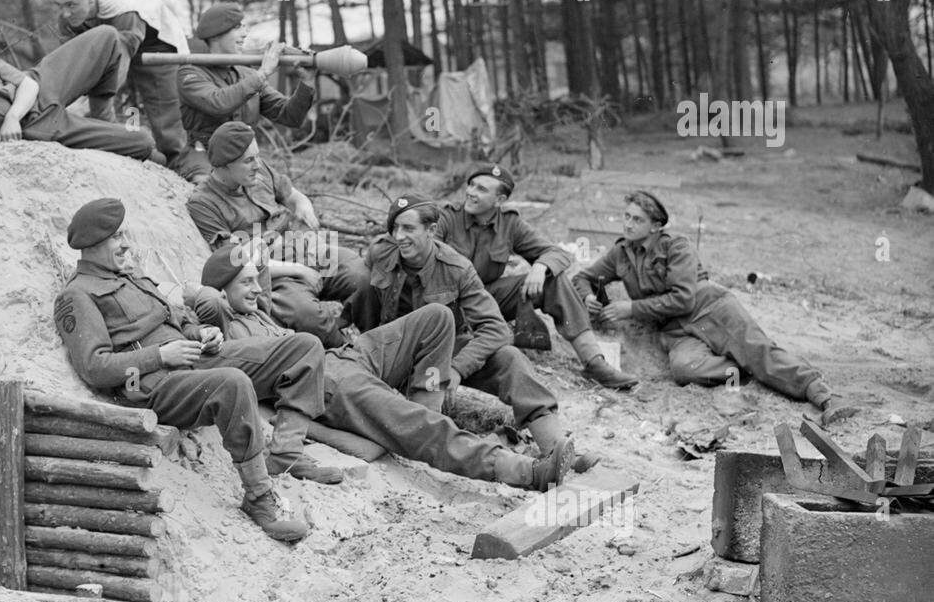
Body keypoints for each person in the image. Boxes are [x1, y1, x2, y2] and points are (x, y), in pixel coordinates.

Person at [53, 199, 353, 544]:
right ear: (91, 246)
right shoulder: (76, 295)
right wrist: (160, 355)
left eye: (123, 234)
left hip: (193, 359)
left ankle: (286, 452)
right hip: (153, 386)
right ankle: (258, 498)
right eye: (115, 238)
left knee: (304, 346)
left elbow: (176, 316)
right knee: (233, 383)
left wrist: (200, 333)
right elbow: (95, 367)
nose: (125, 244)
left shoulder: (130, 275)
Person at [188, 244, 573, 491]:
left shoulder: (257, 308)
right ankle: (521, 471)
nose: (257, 289)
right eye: (246, 284)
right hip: (324, 384)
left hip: (344, 357)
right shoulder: (225, 328)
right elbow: (199, 300)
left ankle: (422, 416)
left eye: (258, 281)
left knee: (436, 318)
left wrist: (257, 271)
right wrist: (211, 298)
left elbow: (260, 269)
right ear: (222, 293)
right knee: (414, 423)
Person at [571, 190, 855, 424]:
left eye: (637, 219)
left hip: (710, 309)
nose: (628, 224)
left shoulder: (676, 247)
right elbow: (582, 277)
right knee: (685, 370)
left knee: (760, 351)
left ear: (655, 226)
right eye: (626, 217)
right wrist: (588, 298)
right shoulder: (621, 252)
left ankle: (824, 395)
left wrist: (631, 309)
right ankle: (744, 367)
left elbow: (684, 298)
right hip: (675, 330)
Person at [350, 198, 574, 459]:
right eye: (395, 228)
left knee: (510, 358)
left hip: (441, 355)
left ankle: (555, 448)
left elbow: (496, 328)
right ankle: (422, 422)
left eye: (409, 229)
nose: (400, 236)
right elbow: (357, 293)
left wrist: (457, 368)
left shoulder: (456, 267)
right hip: (391, 353)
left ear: (432, 230)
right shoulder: (380, 252)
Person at [438, 163, 637, 390]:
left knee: (554, 279)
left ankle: (594, 362)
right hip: (444, 302)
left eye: (481, 189)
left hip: (484, 299)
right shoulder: (447, 217)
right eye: (471, 185)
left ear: (500, 201)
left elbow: (558, 253)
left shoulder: (510, 224)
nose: (471, 192)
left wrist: (540, 267)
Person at [0, 0, 159, 162]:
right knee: (142, 140)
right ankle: (112, 135)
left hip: (36, 90)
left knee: (106, 35)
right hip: (37, 125)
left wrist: (11, 117)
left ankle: (99, 118)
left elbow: (27, 82)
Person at [185, 120, 368, 347]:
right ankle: (347, 354)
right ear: (224, 166)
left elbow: (293, 196)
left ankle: (377, 343)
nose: (257, 164)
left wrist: (304, 207)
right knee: (310, 316)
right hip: (270, 275)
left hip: (299, 247)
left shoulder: (257, 172)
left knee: (361, 275)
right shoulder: (203, 202)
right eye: (248, 160)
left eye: (257, 156)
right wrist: (300, 270)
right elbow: (235, 262)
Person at [47, 0, 204, 181]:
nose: (65, 13)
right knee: (95, 109)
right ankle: (125, 146)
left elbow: (119, 58)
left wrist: (99, 104)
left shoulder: (123, 8)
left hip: (156, 44)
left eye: (71, 5)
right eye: (59, 6)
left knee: (165, 117)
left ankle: (186, 169)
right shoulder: (68, 16)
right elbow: (72, 61)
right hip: (114, 39)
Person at [177, 2, 316, 179]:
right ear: (215, 36)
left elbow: (290, 115)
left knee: (287, 195)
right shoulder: (190, 73)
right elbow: (218, 102)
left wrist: (307, 82)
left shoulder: (247, 73)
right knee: (207, 190)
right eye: (237, 28)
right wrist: (264, 72)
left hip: (244, 157)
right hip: (204, 156)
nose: (245, 33)